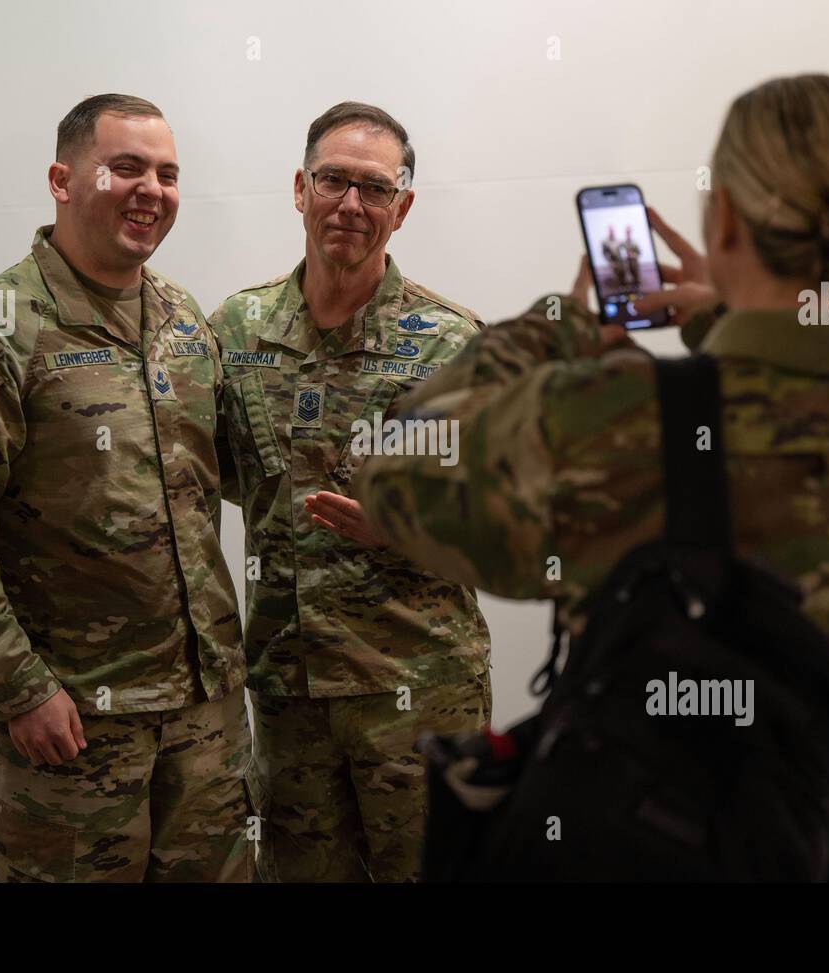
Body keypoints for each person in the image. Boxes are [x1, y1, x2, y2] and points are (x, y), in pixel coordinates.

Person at [353, 73, 829, 882]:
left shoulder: (609, 421)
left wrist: (556, 326)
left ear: (727, 216)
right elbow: (816, 388)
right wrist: (733, 312)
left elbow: (395, 465)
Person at [0, 94, 254, 882]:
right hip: (74, 736)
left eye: (167, 173)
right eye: (125, 167)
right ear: (62, 179)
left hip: (204, 727)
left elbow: (227, 477)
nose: (151, 189)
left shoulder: (184, 319)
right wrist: (20, 689)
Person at [209, 101, 491, 882]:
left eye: (374, 188)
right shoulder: (236, 330)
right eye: (333, 180)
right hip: (289, 693)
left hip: (419, 693)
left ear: (402, 207)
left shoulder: (453, 344)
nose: (350, 205)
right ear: (300, 189)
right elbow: (197, 476)